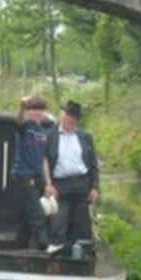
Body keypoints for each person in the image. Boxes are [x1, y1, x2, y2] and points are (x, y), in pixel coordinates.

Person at [43, 100, 100, 255]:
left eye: (72, 122)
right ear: (62, 117)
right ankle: (56, 250)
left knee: (82, 221)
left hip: (82, 183)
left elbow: (92, 163)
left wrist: (95, 187)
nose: (69, 125)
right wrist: (48, 183)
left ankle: (83, 252)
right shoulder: (50, 136)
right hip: (60, 184)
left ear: (77, 121)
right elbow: (45, 160)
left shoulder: (85, 137)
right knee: (58, 220)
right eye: (67, 121)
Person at [11, 93, 53, 249]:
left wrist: (48, 182)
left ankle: (20, 244)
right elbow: (19, 121)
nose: (37, 112)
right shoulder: (25, 127)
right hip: (23, 174)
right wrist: (22, 106)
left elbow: (44, 159)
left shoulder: (44, 132)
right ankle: (44, 243)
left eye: (40, 109)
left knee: (25, 212)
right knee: (36, 210)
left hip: (37, 176)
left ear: (45, 111)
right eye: (34, 109)